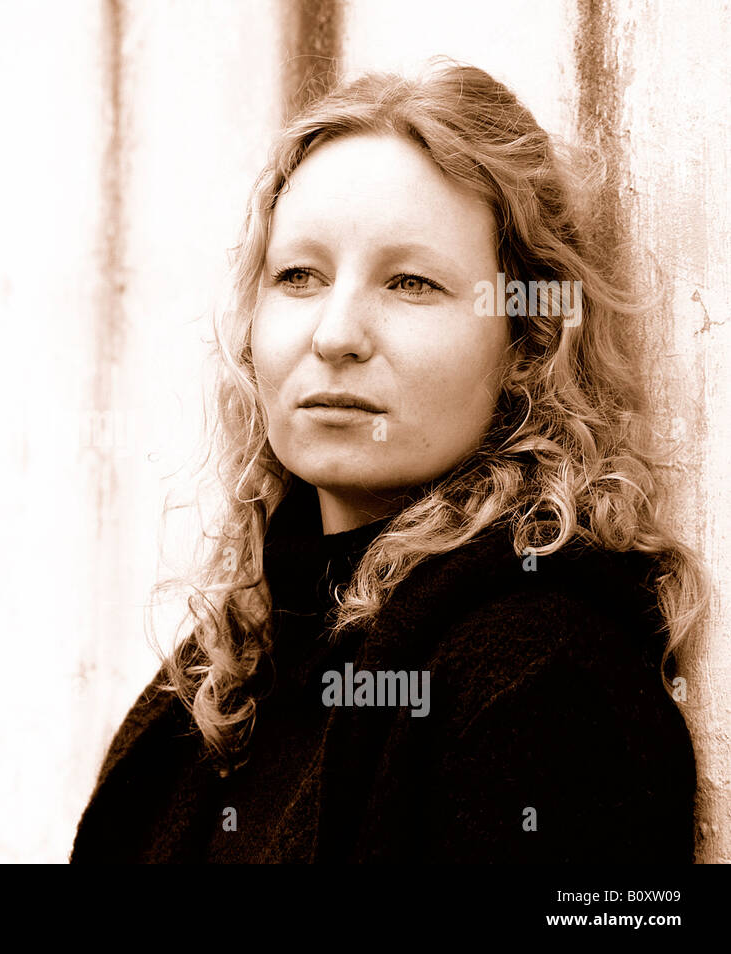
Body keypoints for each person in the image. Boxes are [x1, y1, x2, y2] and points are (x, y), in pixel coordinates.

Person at [70, 62, 705, 863]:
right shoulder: (216, 681)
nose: (334, 335)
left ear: (528, 342)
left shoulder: (537, 680)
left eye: (411, 283)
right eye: (298, 276)